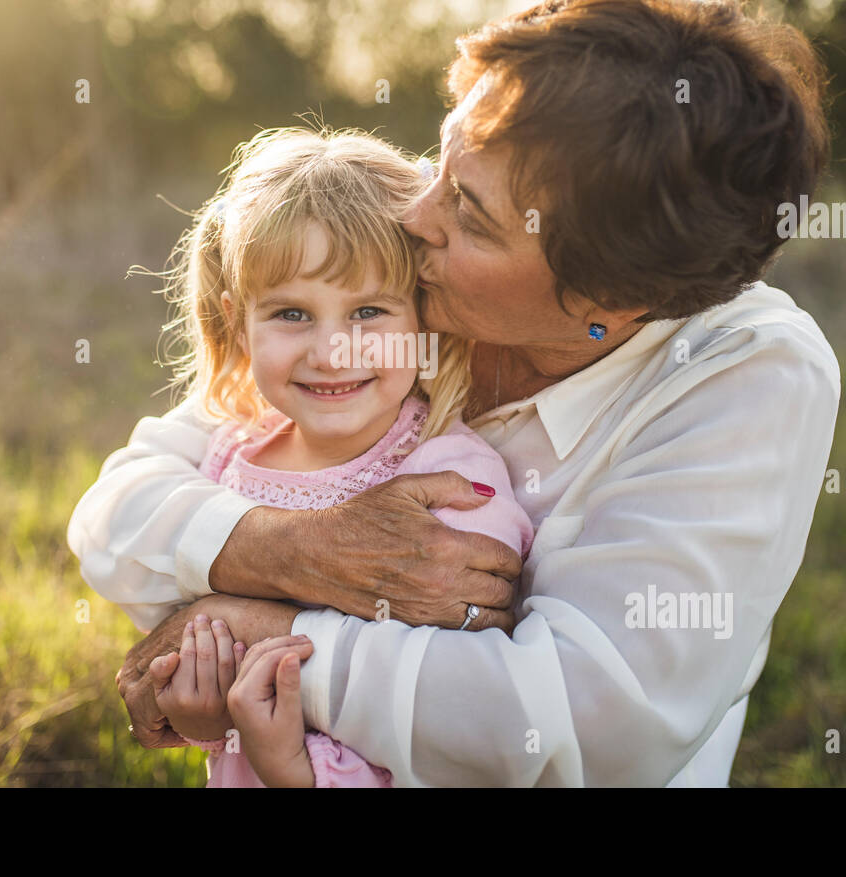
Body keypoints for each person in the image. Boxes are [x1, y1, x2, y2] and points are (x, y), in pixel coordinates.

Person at [68, 0, 840, 786]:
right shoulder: (397, 287)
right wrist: (286, 548)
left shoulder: (750, 371)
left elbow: (579, 724)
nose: (415, 214)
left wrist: (257, 629)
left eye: (469, 211)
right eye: (442, 160)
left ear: (608, 298)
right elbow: (122, 505)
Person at [91, 127, 532, 786]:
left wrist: (296, 769)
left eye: (369, 312)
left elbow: (452, 718)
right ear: (238, 323)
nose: (332, 351)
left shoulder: (450, 484)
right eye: (293, 313)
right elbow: (114, 531)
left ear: (424, 321)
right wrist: (207, 709)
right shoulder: (226, 455)